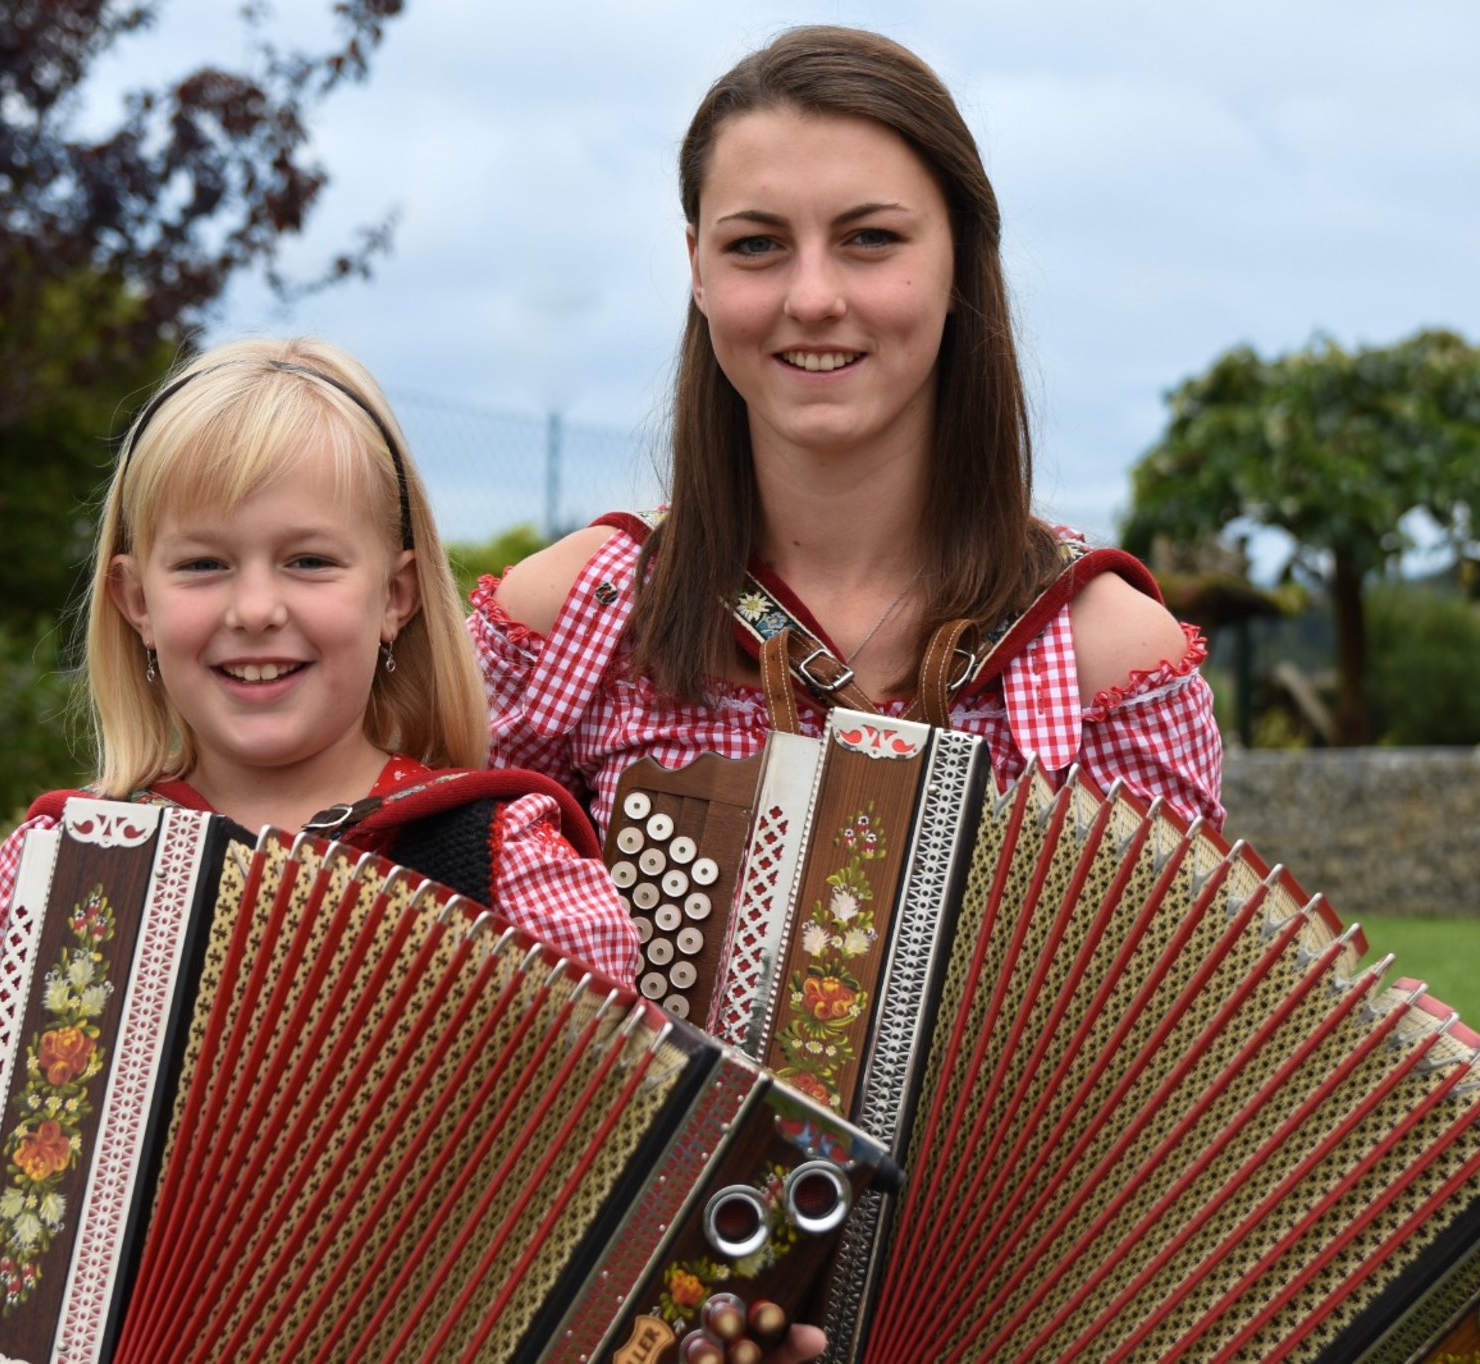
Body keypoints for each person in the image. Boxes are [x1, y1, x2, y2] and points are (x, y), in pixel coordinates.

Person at [0, 337, 642, 1263]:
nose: (255, 607)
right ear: (134, 601)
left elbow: (621, 1178)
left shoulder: (508, 861)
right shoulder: (66, 871)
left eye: (307, 561)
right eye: (203, 566)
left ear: (396, 596)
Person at [473, 26, 1225, 843]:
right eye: (755, 245)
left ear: (961, 260)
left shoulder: (1106, 659)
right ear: (697, 269)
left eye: (870, 238)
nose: (813, 297)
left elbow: (1175, 968)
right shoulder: (571, 621)